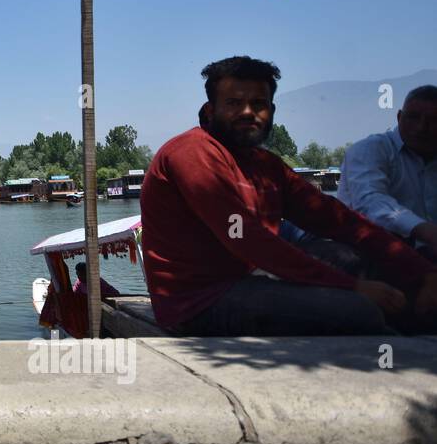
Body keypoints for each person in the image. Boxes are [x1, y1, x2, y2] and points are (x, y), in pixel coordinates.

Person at [140, 56, 437, 336]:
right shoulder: (192, 153)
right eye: (233, 103)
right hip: (200, 302)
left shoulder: (265, 166)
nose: (247, 112)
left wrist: (421, 271)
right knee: (360, 310)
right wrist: (352, 287)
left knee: (384, 262)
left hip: (251, 279)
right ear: (209, 112)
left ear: (271, 111)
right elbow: (249, 239)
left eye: (258, 103)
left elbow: (340, 220)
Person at [339, 85, 437, 259]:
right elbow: (370, 201)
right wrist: (425, 231)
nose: (422, 127)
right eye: (413, 117)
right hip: (367, 255)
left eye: (433, 120)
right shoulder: (371, 149)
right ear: (399, 117)